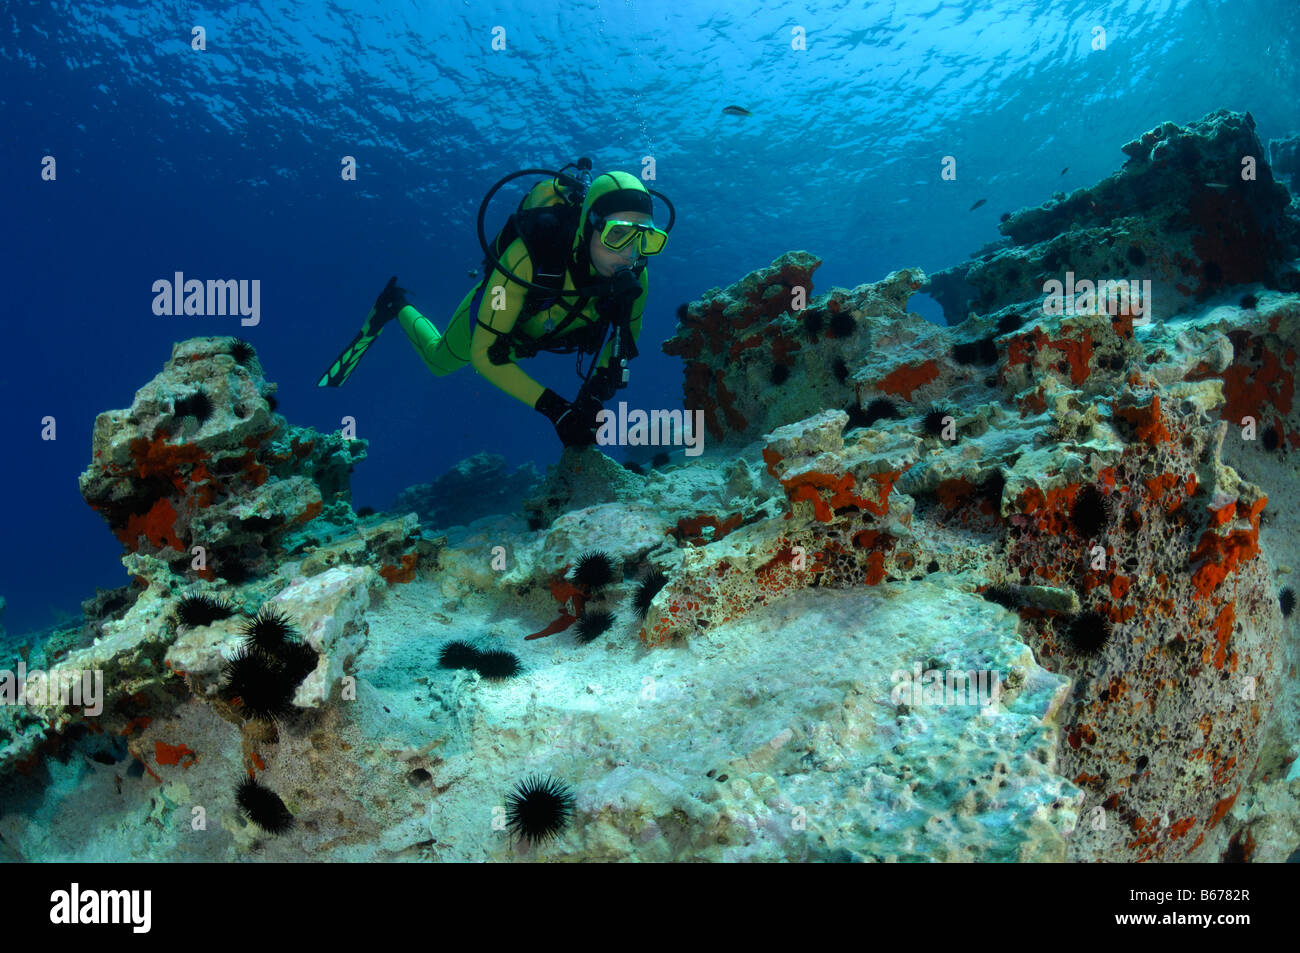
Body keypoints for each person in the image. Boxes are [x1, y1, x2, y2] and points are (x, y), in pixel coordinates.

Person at [320, 167, 671, 448]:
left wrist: (593, 397)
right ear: (587, 227)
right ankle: (394, 304)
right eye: (617, 235)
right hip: (500, 324)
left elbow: (625, 340)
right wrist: (558, 411)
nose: (630, 253)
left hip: (547, 333)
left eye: (646, 238)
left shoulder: (636, 278)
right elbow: (485, 355)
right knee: (440, 362)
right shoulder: (529, 259)